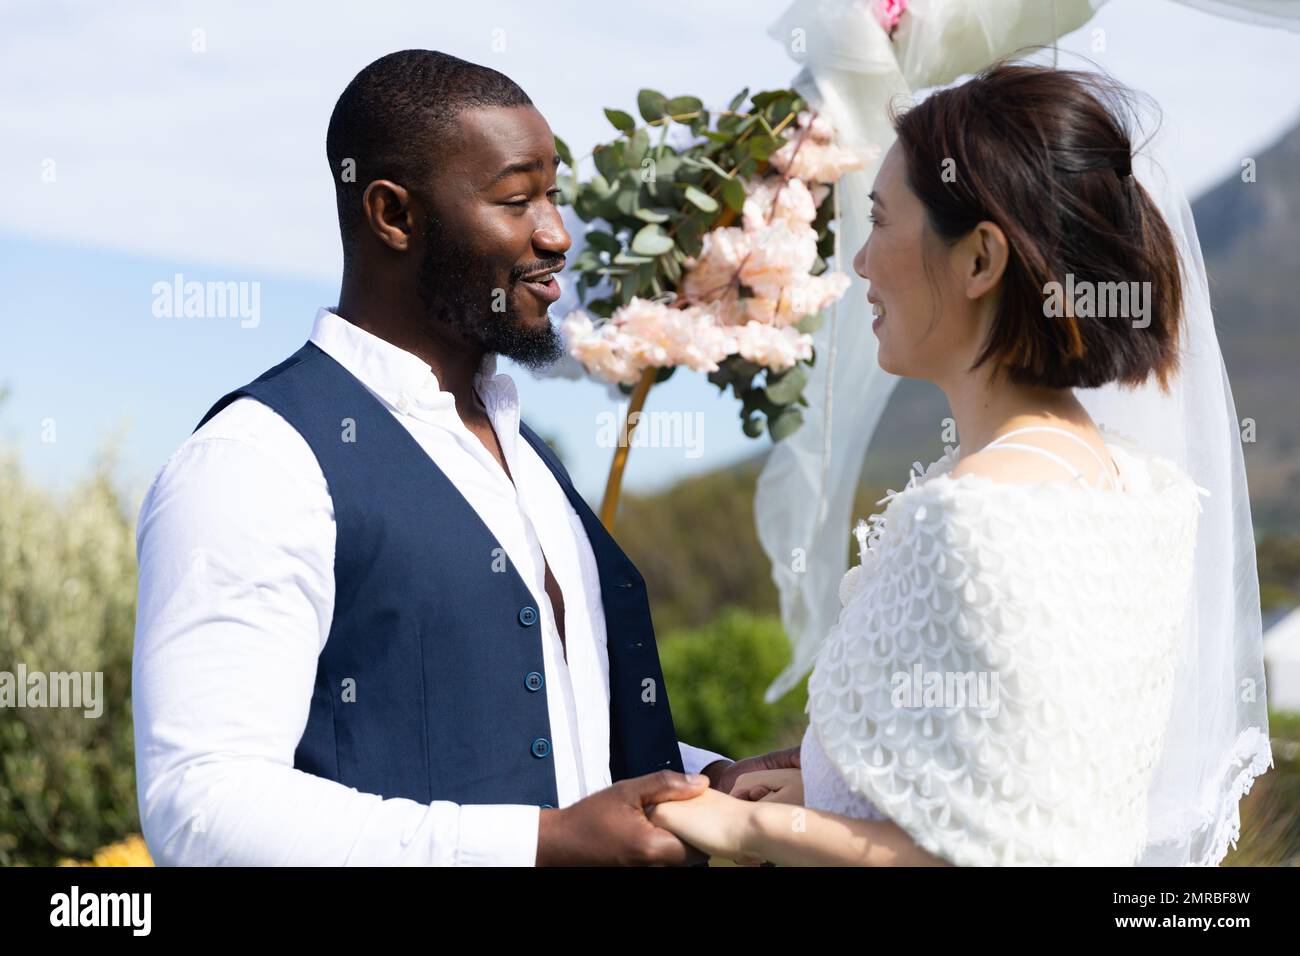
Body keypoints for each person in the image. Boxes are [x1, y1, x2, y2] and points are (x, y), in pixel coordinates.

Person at [131, 49, 797, 867]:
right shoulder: (256, 463)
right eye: (518, 200)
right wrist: (539, 845)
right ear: (393, 215)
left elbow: (549, 738)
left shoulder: (525, 451)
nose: (556, 234)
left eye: (555, 196)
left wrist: (705, 783)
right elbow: (201, 809)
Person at [649, 62, 1268, 865]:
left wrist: (751, 827)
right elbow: (1026, 778)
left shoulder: (975, 515)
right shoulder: (1139, 490)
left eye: (879, 221)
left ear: (980, 260)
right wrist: (830, 796)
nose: (861, 263)